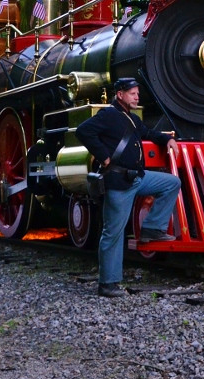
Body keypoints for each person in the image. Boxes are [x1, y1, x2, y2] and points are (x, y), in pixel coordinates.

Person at [75, 77, 181, 298]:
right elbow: (83, 131)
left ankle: (152, 228)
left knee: (171, 183)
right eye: (133, 93)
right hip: (118, 182)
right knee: (113, 232)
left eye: (137, 93)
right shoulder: (108, 115)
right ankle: (108, 284)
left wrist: (166, 140)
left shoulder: (131, 119)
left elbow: (148, 133)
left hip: (137, 178)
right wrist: (104, 156)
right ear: (120, 95)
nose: (137, 97)